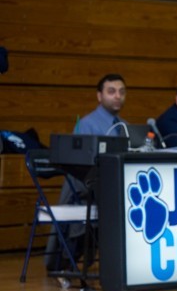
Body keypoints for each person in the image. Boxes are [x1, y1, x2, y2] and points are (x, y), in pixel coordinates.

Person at [45, 74, 127, 276]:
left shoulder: (123, 125)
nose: (117, 96)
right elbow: (80, 170)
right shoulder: (88, 124)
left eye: (121, 92)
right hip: (88, 191)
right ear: (99, 96)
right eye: (111, 91)